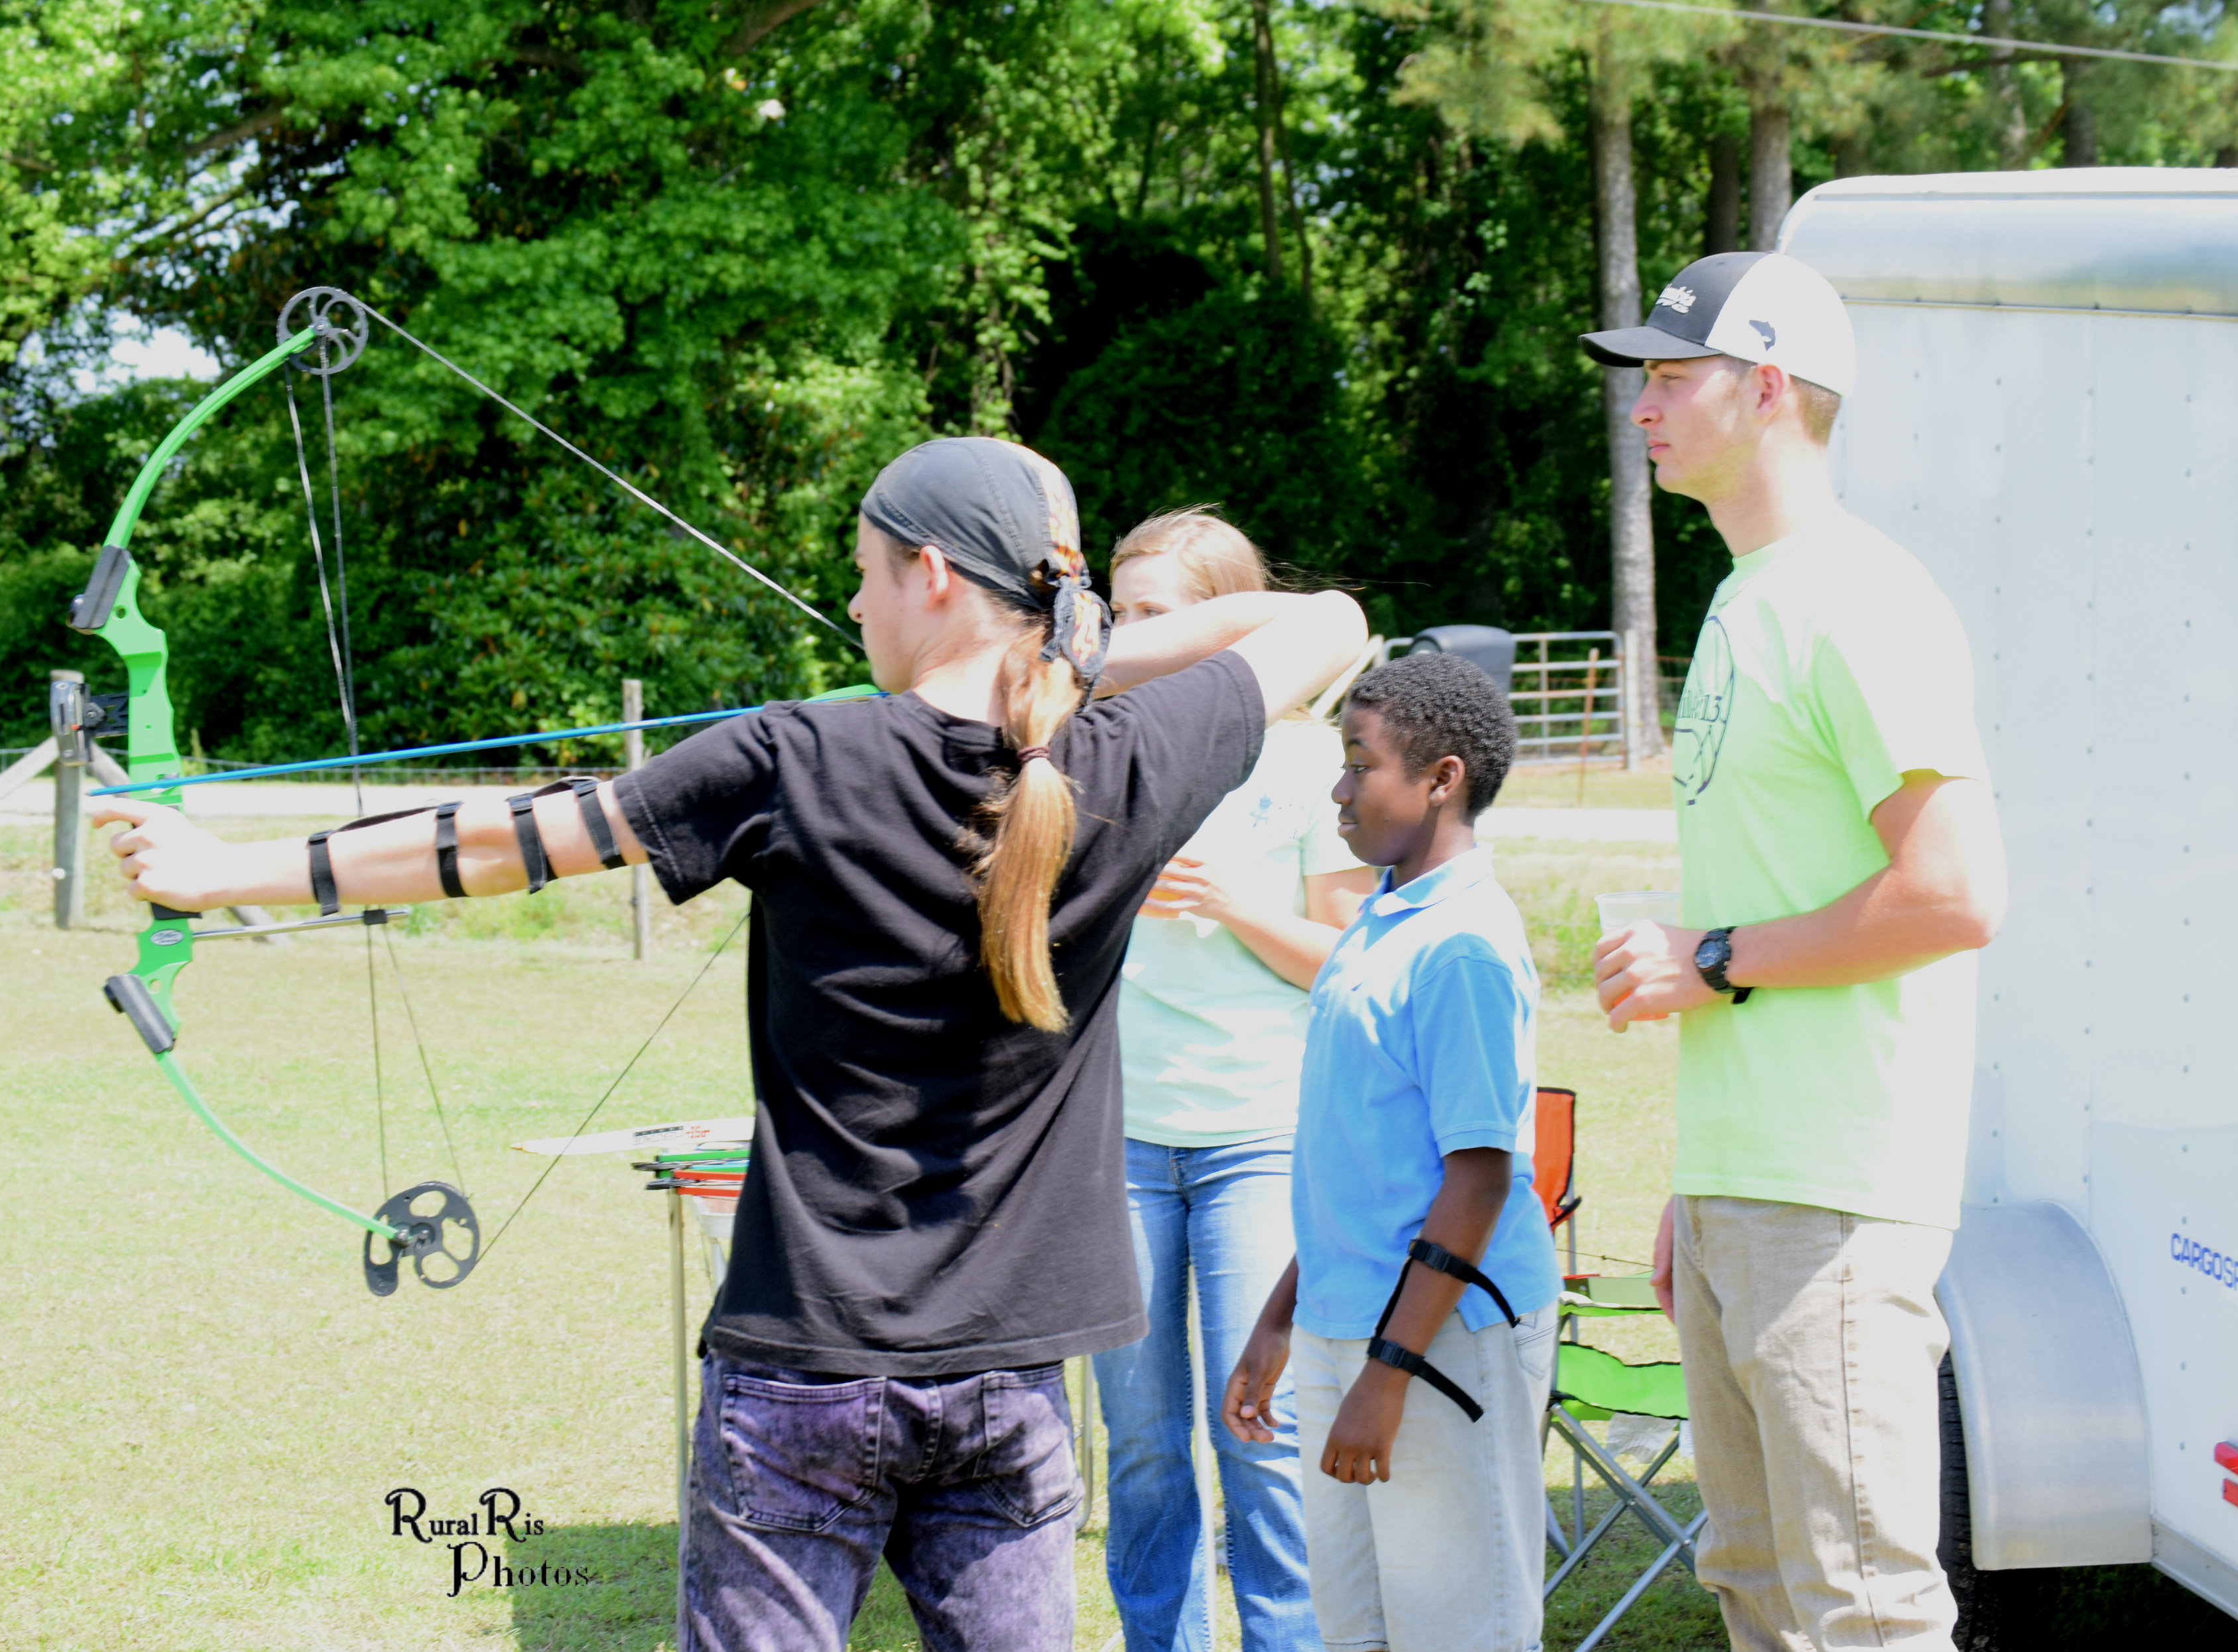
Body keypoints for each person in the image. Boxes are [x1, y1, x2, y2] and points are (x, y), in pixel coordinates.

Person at [92, 437, 1369, 1652]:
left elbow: (498, 845)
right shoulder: (1129, 758)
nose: (852, 603)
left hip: (805, 1370)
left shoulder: (794, 756)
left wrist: (224, 873)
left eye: (865, 571)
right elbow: (1328, 622)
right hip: (1011, 1379)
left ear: (930, 573)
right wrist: (1067, 643)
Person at [1577, 251, 2008, 1651]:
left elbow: (1954, 892)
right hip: (1743, 1185)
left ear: (1767, 388)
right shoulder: (1744, 596)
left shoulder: (1858, 597)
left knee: (1861, 1610)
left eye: (1670, 374)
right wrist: (1696, 1184)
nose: (1642, 404)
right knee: (1756, 1586)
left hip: (1834, 1196)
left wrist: (1707, 958)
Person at [1220, 651, 1555, 1652]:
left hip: (1438, 1340)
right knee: (1357, 1629)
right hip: (1343, 1323)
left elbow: (1479, 1176)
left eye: (1360, 765)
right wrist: (1282, 1319)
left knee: (1460, 1630)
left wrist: (1388, 1372)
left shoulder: (1462, 946)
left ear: (1442, 778)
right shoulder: (1378, 922)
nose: (1339, 790)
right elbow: (1359, 1167)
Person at [1099, 508, 1373, 1652]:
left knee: (1260, 1434)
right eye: (1118, 613)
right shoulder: (1097, 748)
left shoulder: (1311, 760)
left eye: (1156, 615)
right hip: (1118, 1143)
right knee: (1141, 1449)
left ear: (1229, 620)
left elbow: (1353, 959)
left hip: (1260, 1137)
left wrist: (1234, 904)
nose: (1129, 639)